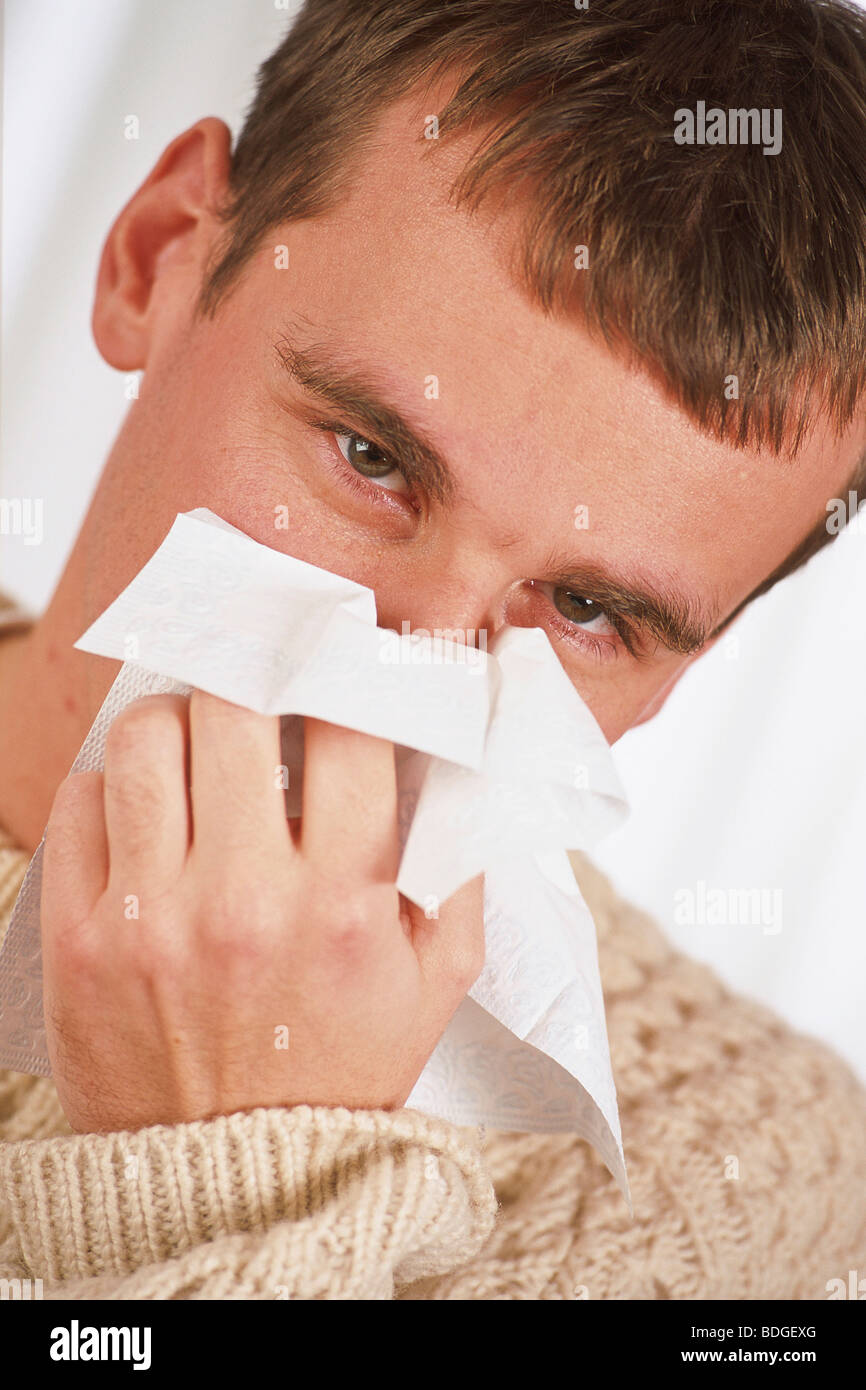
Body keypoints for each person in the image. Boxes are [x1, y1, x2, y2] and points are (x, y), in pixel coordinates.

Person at [1, 0, 865, 1300]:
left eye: (586, 609)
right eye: (370, 458)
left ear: (687, 668)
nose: (413, 673)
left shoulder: (754, 1187)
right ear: (154, 260)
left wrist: (238, 1173)